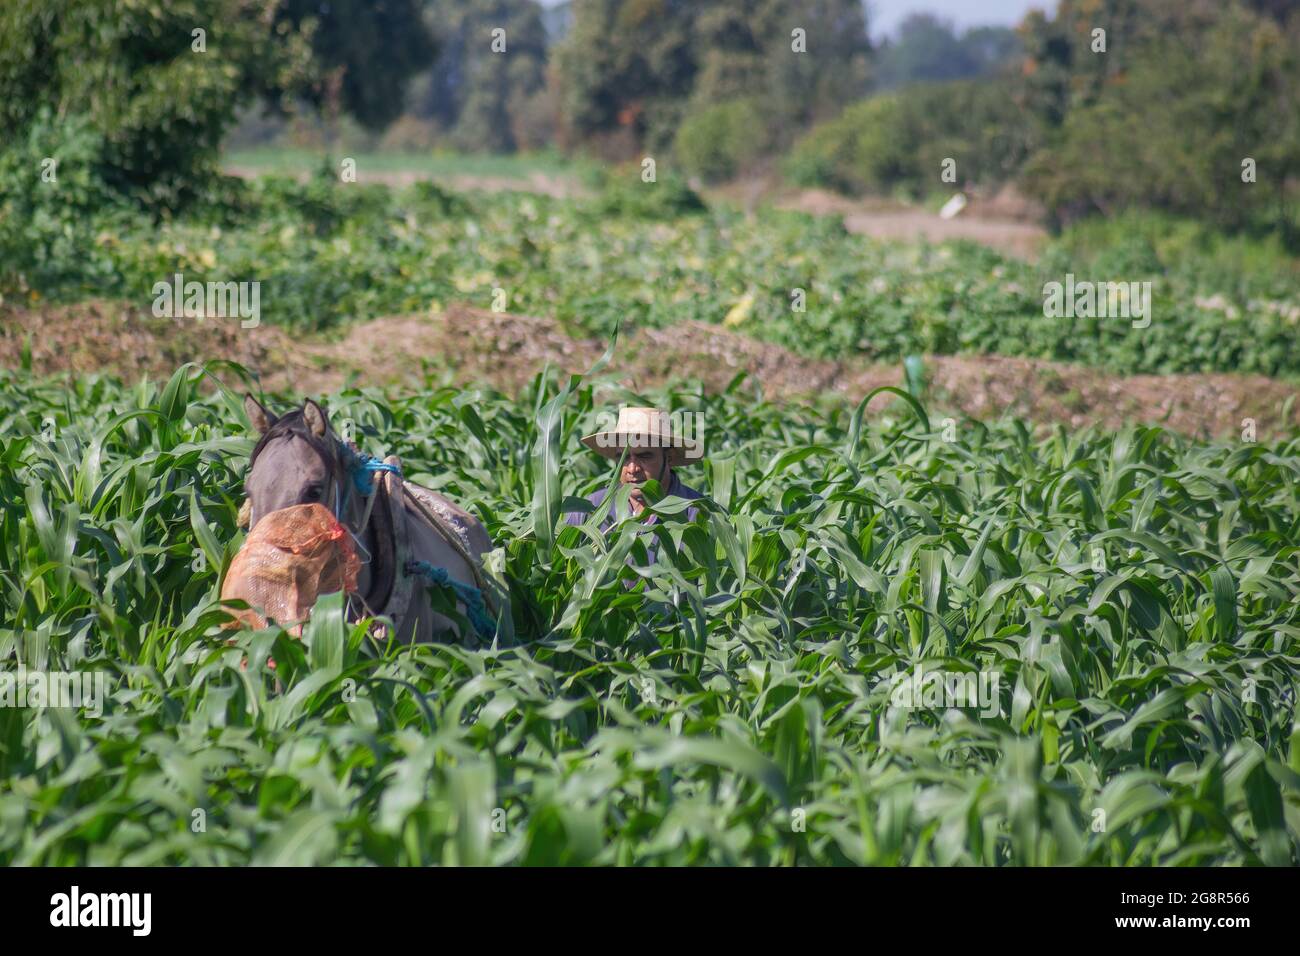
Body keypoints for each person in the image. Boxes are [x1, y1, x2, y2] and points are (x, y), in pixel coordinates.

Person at [564, 406, 705, 534]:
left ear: (669, 457)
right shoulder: (590, 510)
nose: (632, 469)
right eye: (624, 457)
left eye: (644, 456)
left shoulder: (700, 514)